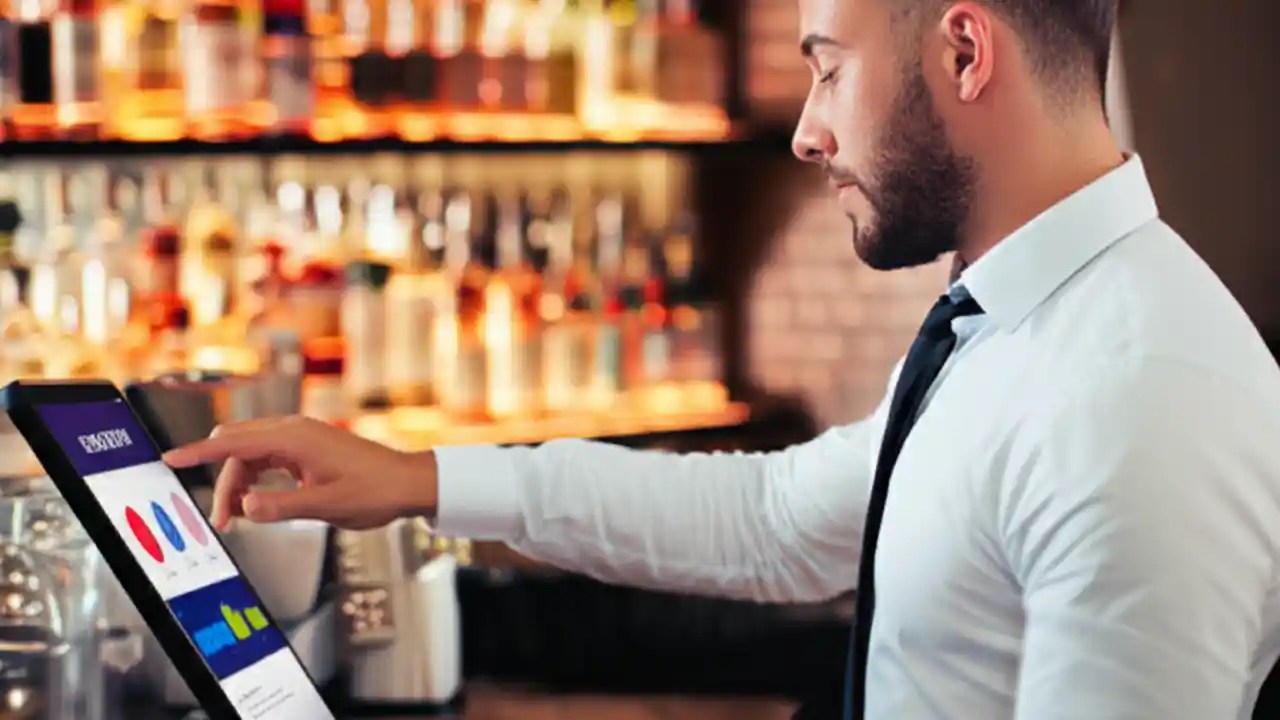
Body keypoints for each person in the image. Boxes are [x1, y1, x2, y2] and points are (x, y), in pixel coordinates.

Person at [163, 0, 1280, 717]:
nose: (805, 130)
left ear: (961, 50)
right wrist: (421, 480)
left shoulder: (1134, 402)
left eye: (829, 70)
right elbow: (777, 520)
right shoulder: (1013, 328)